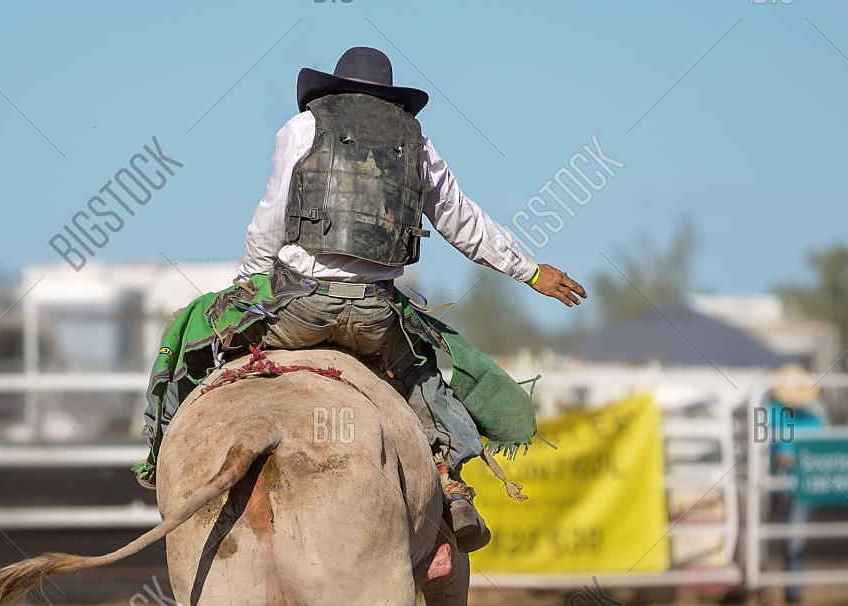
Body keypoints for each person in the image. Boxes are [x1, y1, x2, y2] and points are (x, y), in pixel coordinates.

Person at [138, 47, 586, 551]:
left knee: (193, 335)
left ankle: (166, 455)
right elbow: (462, 220)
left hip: (297, 309)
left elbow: (269, 220)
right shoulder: (417, 141)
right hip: (375, 315)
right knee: (426, 377)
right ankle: (450, 480)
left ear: (334, 87)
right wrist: (529, 270)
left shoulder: (302, 127)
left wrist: (251, 286)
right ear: (389, 95)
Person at [765, 364, 827, 604]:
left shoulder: (810, 418)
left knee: (793, 537)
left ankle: (793, 592)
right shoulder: (777, 413)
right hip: (780, 484)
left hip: (797, 486)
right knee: (788, 536)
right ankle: (789, 591)